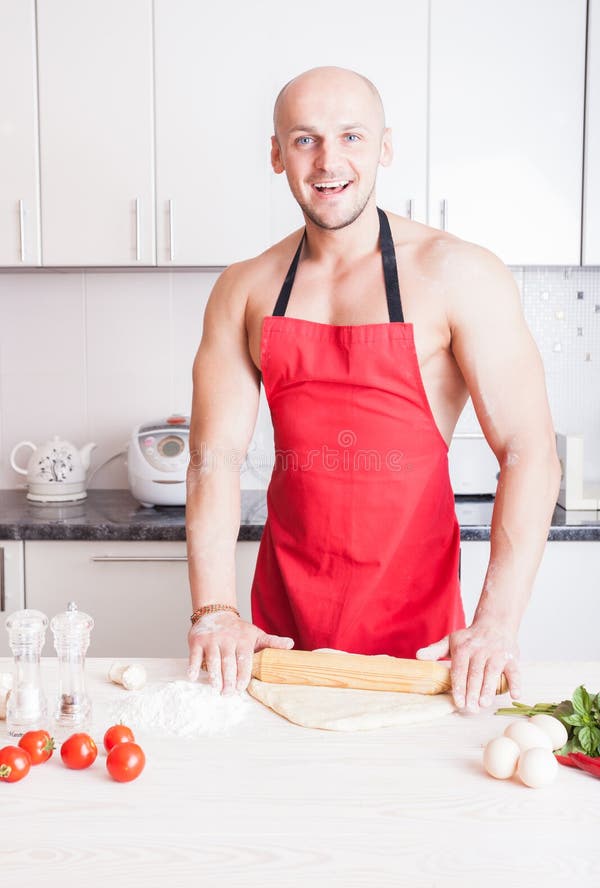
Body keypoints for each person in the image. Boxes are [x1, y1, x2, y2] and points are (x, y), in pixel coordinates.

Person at [185, 66, 561, 714]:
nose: (330, 161)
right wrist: (215, 610)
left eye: (351, 137)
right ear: (276, 155)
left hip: (425, 649)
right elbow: (212, 460)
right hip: (278, 641)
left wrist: (496, 624)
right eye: (305, 140)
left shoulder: (457, 273)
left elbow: (530, 451)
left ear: (385, 146)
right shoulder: (244, 289)